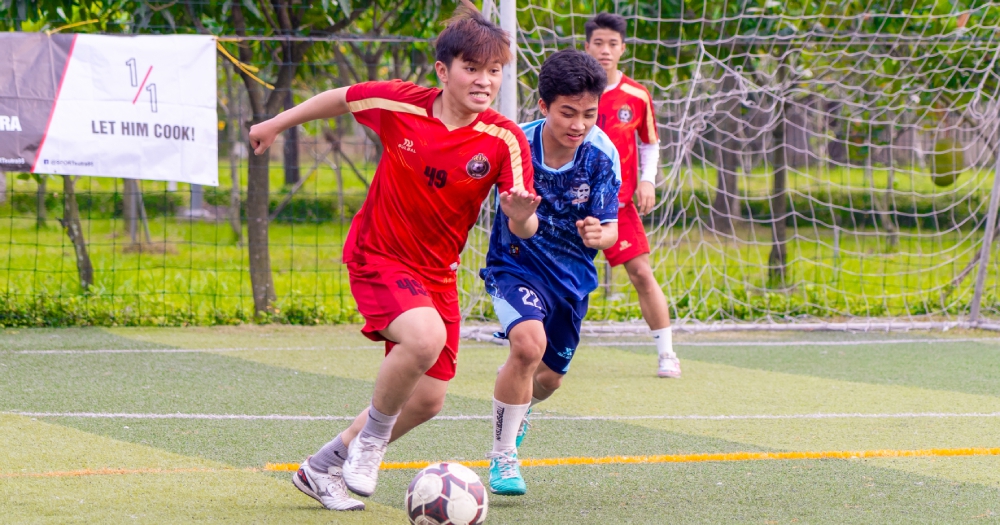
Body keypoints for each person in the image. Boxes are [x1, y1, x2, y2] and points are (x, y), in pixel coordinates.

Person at [248, 2, 539, 512]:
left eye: (494, 71)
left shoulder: (505, 139)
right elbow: (341, 97)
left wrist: (518, 215)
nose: (484, 81)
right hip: (379, 253)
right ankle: (371, 444)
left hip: (437, 275)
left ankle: (323, 466)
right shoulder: (402, 104)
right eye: (472, 68)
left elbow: (526, 223)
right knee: (424, 338)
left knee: (428, 400)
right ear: (443, 71)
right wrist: (276, 122)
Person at [480, 48, 620, 496]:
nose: (579, 124)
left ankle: (522, 410)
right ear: (543, 107)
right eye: (568, 113)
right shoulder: (516, 145)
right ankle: (503, 457)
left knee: (549, 377)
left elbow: (612, 231)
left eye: (589, 114)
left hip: (570, 279)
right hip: (515, 264)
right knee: (527, 345)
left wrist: (600, 235)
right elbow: (523, 223)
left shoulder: (602, 155)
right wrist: (520, 216)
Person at [584, 13, 680, 378]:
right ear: (587, 46)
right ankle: (528, 343)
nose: (605, 51)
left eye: (612, 44)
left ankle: (667, 353)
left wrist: (647, 180)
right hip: (573, 204)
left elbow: (649, 144)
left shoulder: (637, 95)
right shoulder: (575, 91)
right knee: (553, 274)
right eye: (598, 43)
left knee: (640, 272)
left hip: (619, 204)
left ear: (622, 48)